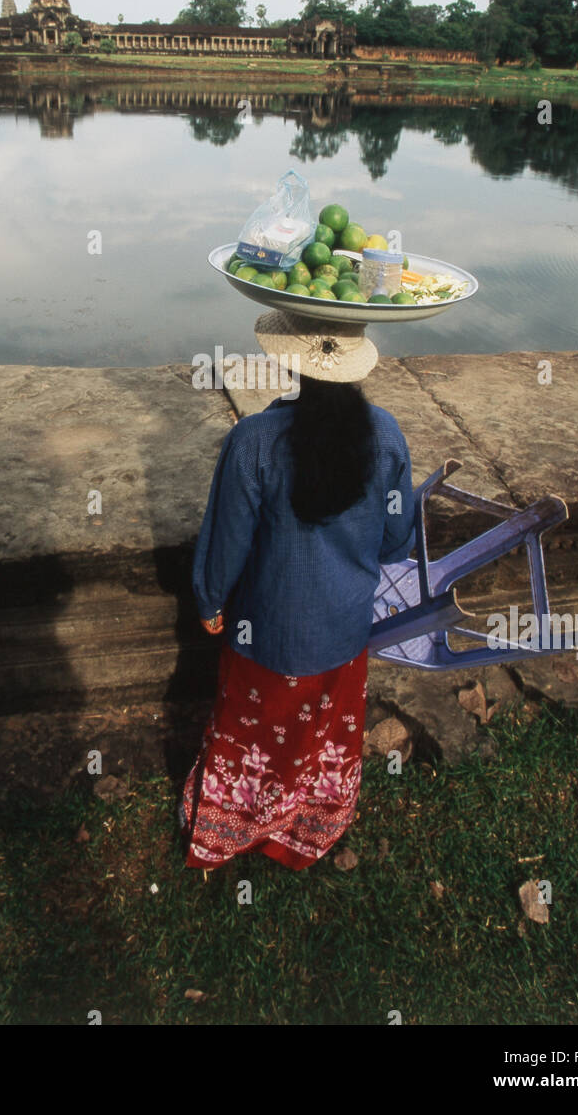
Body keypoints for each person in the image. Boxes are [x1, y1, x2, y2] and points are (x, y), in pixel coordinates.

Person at [180, 308, 416, 871]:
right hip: (343, 629)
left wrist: (210, 601)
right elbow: (397, 540)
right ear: (357, 362)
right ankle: (311, 823)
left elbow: (226, 543)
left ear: (291, 362)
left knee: (252, 734)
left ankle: (237, 825)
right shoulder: (386, 436)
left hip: (264, 631)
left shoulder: (254, 441)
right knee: (321, 734)